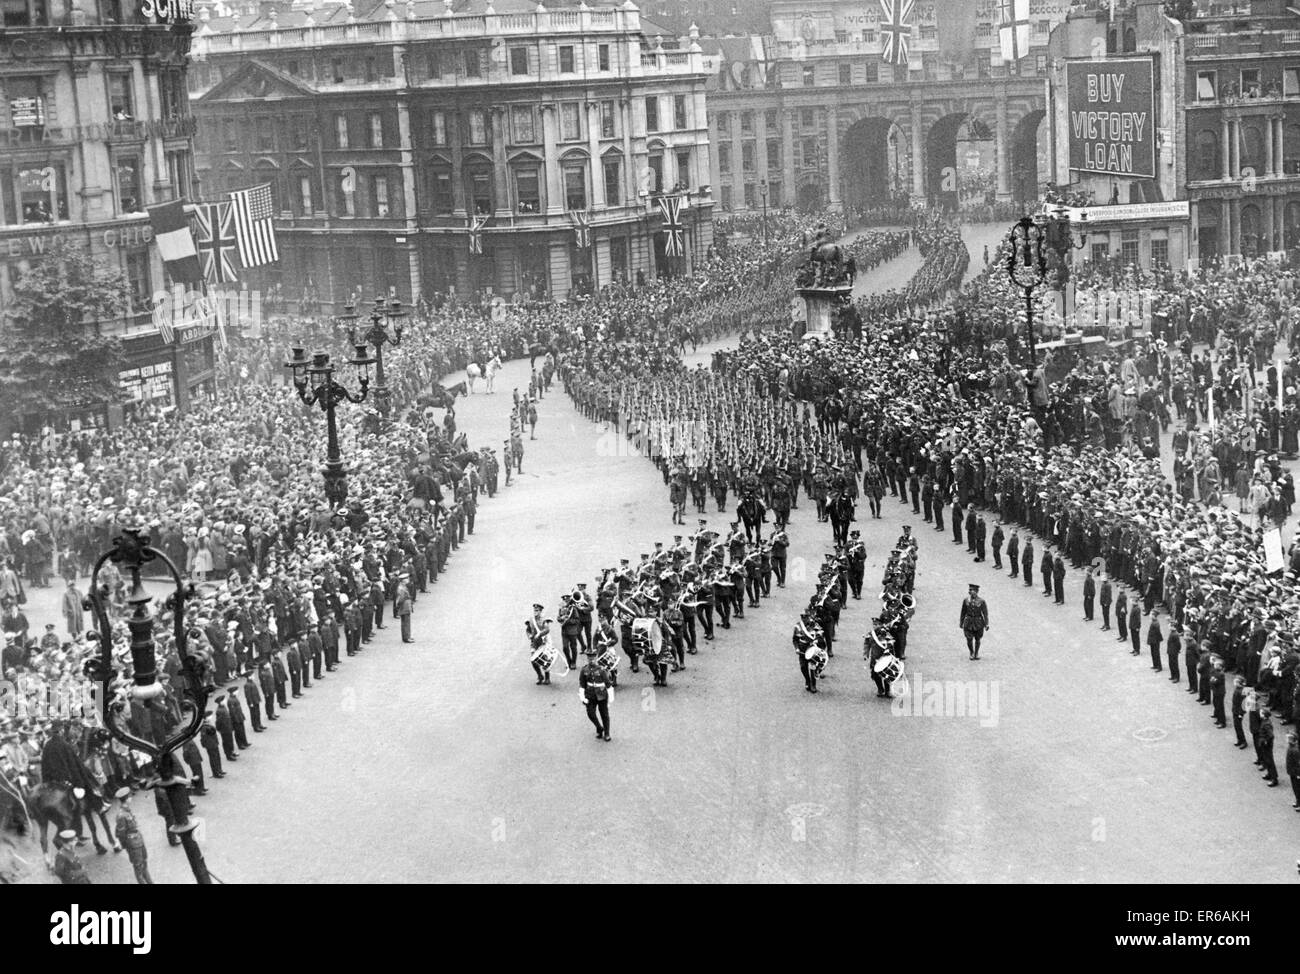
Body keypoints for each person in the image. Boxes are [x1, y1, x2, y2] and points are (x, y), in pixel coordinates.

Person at [114, 787, 152, 885]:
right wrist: (127, 846)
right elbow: (121, 834)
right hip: (132, 845)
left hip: (138, 840)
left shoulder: (127, 811)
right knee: (138, 867)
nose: (131, 798)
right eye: (130, 796)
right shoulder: (121, 815)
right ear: (126, 799)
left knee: (144, 864)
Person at [578, 646, 612, 741]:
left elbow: (608, 684)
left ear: (596, 658)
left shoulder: (601, 670)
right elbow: (582, 684)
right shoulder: (584, 670)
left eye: (593, 658)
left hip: (601, 694)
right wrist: (582, 697)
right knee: (590, 713)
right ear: (587, 659)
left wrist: (610, 698)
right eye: (589, 659)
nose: (591, 660)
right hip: (590, 695)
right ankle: (599, 727)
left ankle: (607, 733)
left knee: (604, 714)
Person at [959, 582, 989, 660]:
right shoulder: (966, 600)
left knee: (978, 639)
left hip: (978, 622)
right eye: (969, 590)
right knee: (969, 639)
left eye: (971, 590)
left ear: (976, 591)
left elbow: (985, 613)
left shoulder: (981, 601)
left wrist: (986, 624)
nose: (969, 591)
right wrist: (961, 622)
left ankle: (976, 653)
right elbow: (963, 612)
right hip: (968, 622)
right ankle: (971, 652)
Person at [396, 574, 413, 643]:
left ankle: (406, 636)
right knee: (406, 622)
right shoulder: (402, 588)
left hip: (405, 606)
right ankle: (406, 637)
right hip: (404, 607)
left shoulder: (402, 587)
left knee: (405, 622)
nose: (408, 579)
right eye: (407, 578)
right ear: (403, 580)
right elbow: (401, 599)